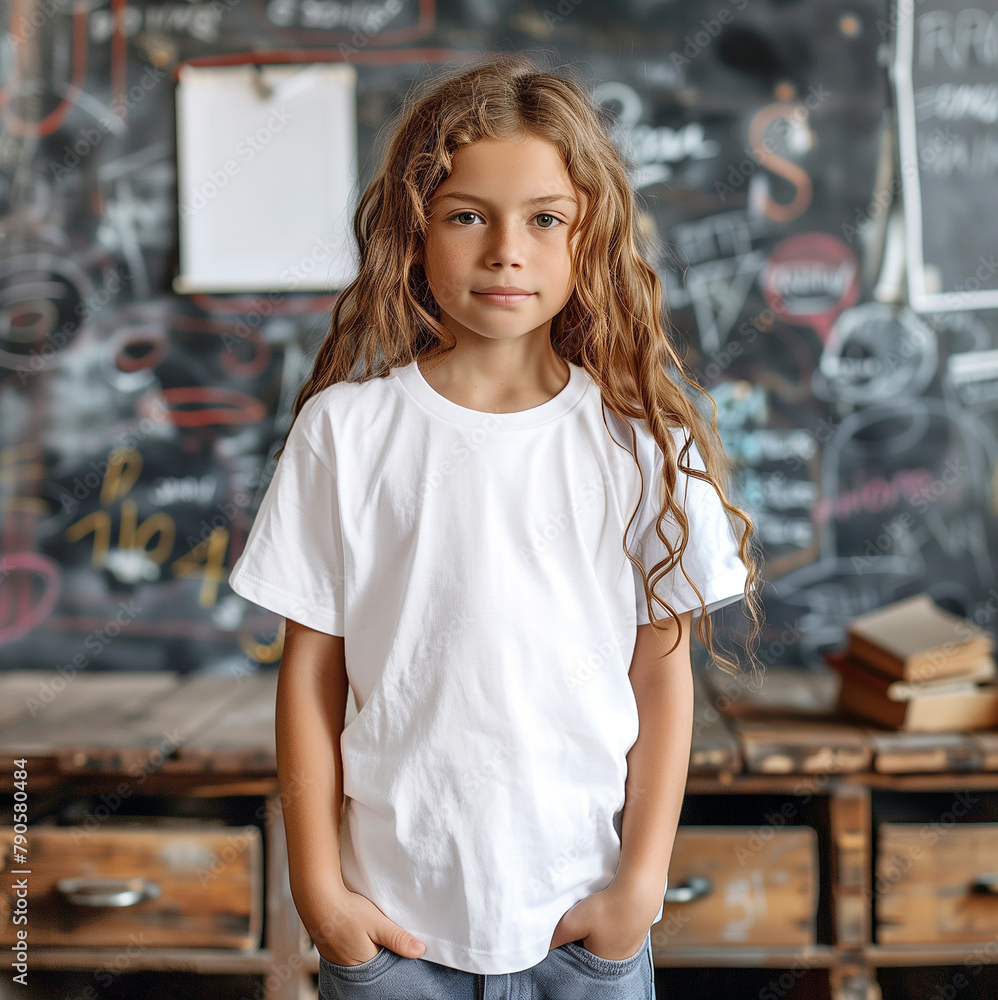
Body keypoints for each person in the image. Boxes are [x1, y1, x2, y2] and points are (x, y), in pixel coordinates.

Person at [227, 51, 764, 1000]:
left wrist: (637, 888)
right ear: (414, 232)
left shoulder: (640, 441)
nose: (505, 250)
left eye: (544, 220)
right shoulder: (348, 432)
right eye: (467, 214)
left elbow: (662, 673)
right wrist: (321, 893)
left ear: (586, 238)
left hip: (582, 929)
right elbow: (312, 670)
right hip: (391, 930)